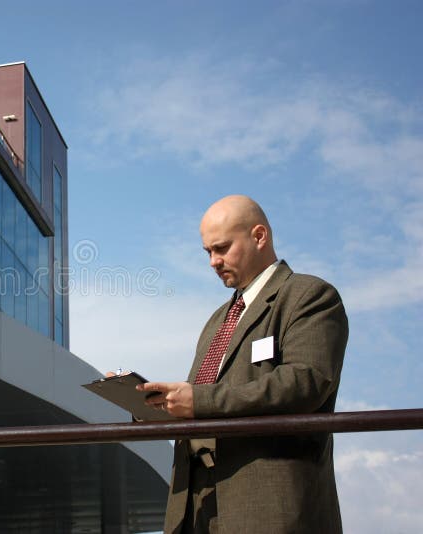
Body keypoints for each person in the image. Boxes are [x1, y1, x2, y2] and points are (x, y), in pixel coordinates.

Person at [135, 195, 348, 533]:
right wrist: (155, 404)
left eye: (221, 248)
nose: (213, 262)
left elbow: (305, 383)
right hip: (194, 505)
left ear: (259, 236)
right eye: (208, 252)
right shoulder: (216, 320)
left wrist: (198, 400)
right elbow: (203, 401)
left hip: (266, 503)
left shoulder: (309, 296)